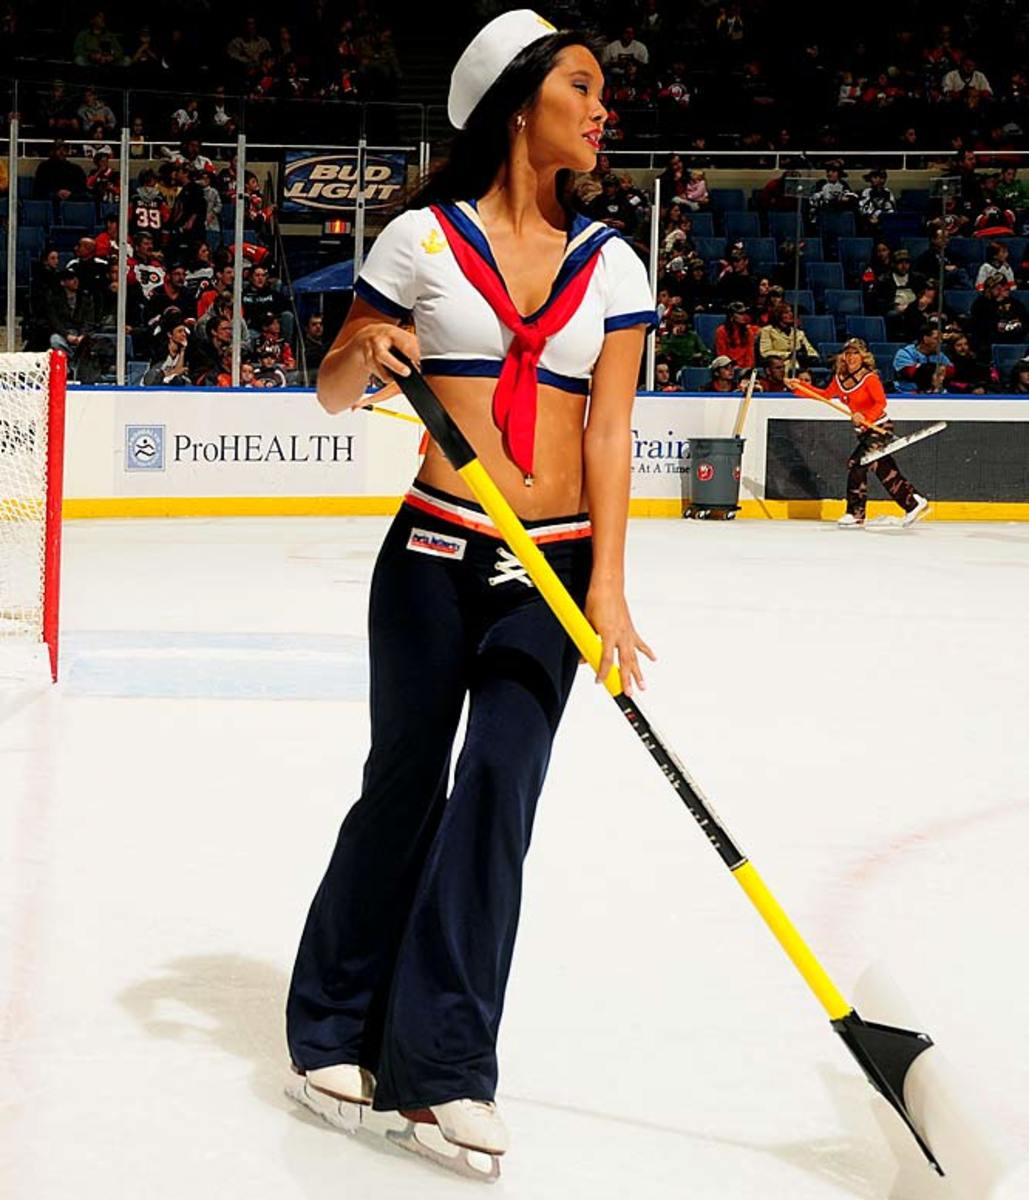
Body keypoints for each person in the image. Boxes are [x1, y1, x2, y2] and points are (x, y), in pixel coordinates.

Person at [285, 11, 656, 1174]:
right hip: (434, 556)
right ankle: (333, 1023)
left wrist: (611, 593)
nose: (604, 109)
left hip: (546, 570)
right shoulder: (419, 241)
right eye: (583, 87)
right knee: (402, 786)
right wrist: (362, 354)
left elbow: (608, 436)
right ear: (518, 100)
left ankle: (443, 1062)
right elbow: (333, 393)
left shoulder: (615, 264)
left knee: (498, 786)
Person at [786, 338, 928, 527]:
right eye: (848, 353)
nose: (851, 357)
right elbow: (825, 395)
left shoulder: (870, 378)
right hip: (864, 432)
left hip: (879, 428)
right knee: (884, 469)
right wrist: (799, 388)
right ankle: (913, 501)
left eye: (856, 353)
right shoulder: (839, 378)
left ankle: (856, 513)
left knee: (857, 463)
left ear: (863, 356)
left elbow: (880, 403)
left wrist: (866, 417)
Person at [893, 325, 954, 393]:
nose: (940, 341)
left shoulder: (940, 355)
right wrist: (938, 369)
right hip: (905, 393)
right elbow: (912, 373)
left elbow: (951, 371)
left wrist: (925, 368)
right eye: (936, 338)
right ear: (925, 339)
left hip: (932, 392)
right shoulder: (905, 353)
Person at [757, 303, 817, 371]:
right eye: (786, 313)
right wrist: (789, 354)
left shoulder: (798, 332)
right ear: (778, 315)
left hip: (799, 365)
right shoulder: (767, 331)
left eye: (791, 312)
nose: (791, 314)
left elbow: (810, 349)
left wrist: (812, 356)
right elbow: (765, 352)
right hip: (779, 365)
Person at [714, 301, 759, 370]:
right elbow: (722, 354)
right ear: (731, 316)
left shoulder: (748, 332)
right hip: (727, 367)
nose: (744, 316)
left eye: (745, 313)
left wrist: (747, 368)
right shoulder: (721, 331)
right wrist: (730, 367)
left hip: (745, 368)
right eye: (740, 314)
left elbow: (750, 355)